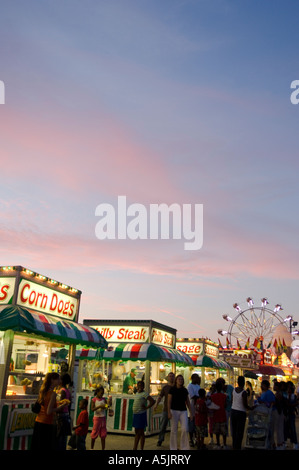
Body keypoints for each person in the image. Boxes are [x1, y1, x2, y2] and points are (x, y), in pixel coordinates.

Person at [31, 372, 68, 450]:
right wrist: (61, 406)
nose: (59, 381)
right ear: (52, 380)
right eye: (57, 379)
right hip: (46, 423)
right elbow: (49, 411)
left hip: (38, 421)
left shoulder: (43, 391)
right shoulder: (53, 394)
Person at [168, 374, 193, 450]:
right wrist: (169, 411)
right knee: (174, 429)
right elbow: (169, 401)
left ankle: (184, 446)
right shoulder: (172, 389)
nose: (180, 381)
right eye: (179, 379)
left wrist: (191, 412)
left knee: (185, 428)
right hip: (174, 410)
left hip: (183, 410)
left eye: (181, 379)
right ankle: (173, 447)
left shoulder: (185, 390)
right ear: (176, 380)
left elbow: (188, 402)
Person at [231, 375, 255, 450]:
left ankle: (234, 445)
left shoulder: (234, 390)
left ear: (237, 382)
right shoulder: (244, 392)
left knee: (234, 430)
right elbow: (245, 404)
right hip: (241, 413)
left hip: (233, 411)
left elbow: (232, 400)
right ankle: (238, 446)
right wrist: (250, 408)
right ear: (244, 383)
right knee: (240, 431)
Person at [154, 371, 175, 446]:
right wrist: (156, 404)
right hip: (166, 409)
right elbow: (160, 396)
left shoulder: (177, 387)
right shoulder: (165, 387)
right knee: (163, 425)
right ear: (168, 378)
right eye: (170, 376)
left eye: (172, 376)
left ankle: (173, 441)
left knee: (174, 427)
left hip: (175, 409)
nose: (171, 378)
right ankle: (160, 439)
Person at [132, 381, 155, 450]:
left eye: (141, 386)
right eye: (138, 385)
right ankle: (139, 448)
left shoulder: (144, 394)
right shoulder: (136, 393)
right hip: (136, 414)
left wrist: (146, 407)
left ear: (143, 387)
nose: (140, 387)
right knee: (139, 432)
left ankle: (136, 448)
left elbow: (152, 401)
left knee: (139, 433)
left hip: (141, 415)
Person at [56, 373, 72, 450]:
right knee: (63, 438)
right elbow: (69, 404)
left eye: (59, 379)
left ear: (61, 381)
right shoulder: (68, 391)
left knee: (59, 437)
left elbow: (60, 404)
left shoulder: (62, 391)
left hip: (61, 415)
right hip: (66, 415)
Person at [210, 378, 228, 449]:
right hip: (222, 415)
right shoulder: (224, 396)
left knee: (217, 432)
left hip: (216, 415)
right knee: (224, 432)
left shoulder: (212, 396)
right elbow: (225, 405)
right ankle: (224, 444)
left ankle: (217, 443)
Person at [187, 374, 201, 447]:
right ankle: (191, 439)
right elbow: (192, 396)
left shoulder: (198, 386)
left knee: (196, 425)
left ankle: (196, 438)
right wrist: (200, 397)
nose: (197, 379)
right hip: (191, 408)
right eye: (196, 378)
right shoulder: (189, 386)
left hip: (197, 408)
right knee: (191, 425)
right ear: (192, 378)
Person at [285, 381, 299, 449]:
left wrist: (291, 405)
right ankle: (289, 441)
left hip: (291, 414)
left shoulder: (293, 396)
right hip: (287, 414)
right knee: (287, 428)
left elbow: (295, 403)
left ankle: (295, 442)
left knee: (292, 429)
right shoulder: (286, 395)